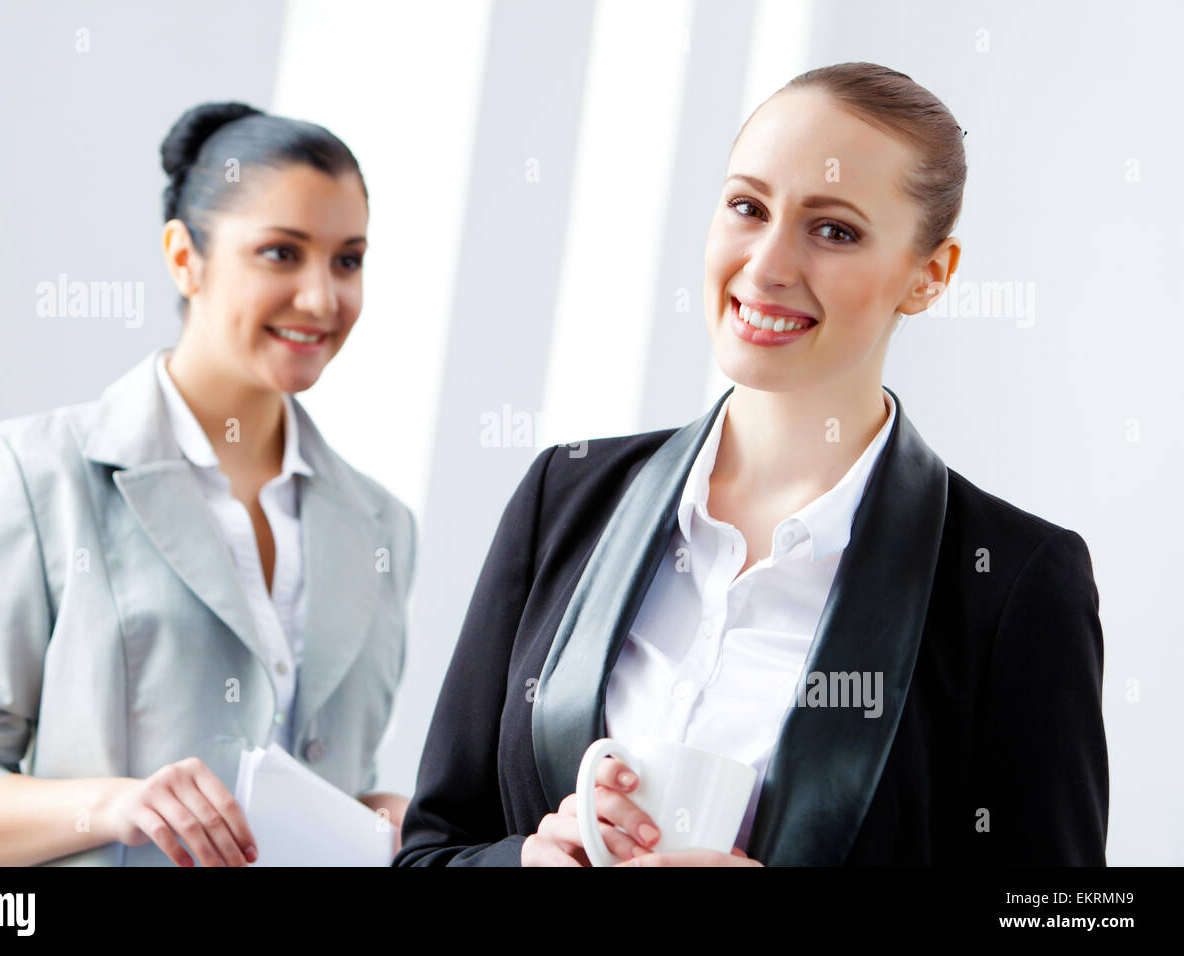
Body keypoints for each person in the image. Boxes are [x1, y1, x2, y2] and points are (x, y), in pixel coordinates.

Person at [393, 62, 1108, 867]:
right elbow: (430, 849)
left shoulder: (1012, 581)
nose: (766, 266)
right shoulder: (567, 494)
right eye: (747, 207)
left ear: (928, 277)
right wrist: (524, 862)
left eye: (833, 230)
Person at [0, 102, 416, 866]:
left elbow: (319, 782)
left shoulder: (382, 525)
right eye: (281, 253)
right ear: (184, 257)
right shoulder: (32, 474)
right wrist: (114, 805)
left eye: (348, 260)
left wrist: (386, 814)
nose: (321, 299)